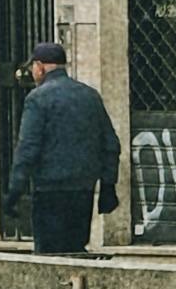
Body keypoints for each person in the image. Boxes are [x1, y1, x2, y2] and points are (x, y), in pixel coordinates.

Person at [6, 35, 121, 257]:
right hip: (83, 191)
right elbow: (111, 144)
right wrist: (108, 186)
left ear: (39, 67)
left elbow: (27, 150)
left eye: (33, 67)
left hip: (49, 192)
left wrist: (14, 192)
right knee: (75, 252)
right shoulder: (90, 96)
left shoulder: (36, 99)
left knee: (49, 257)